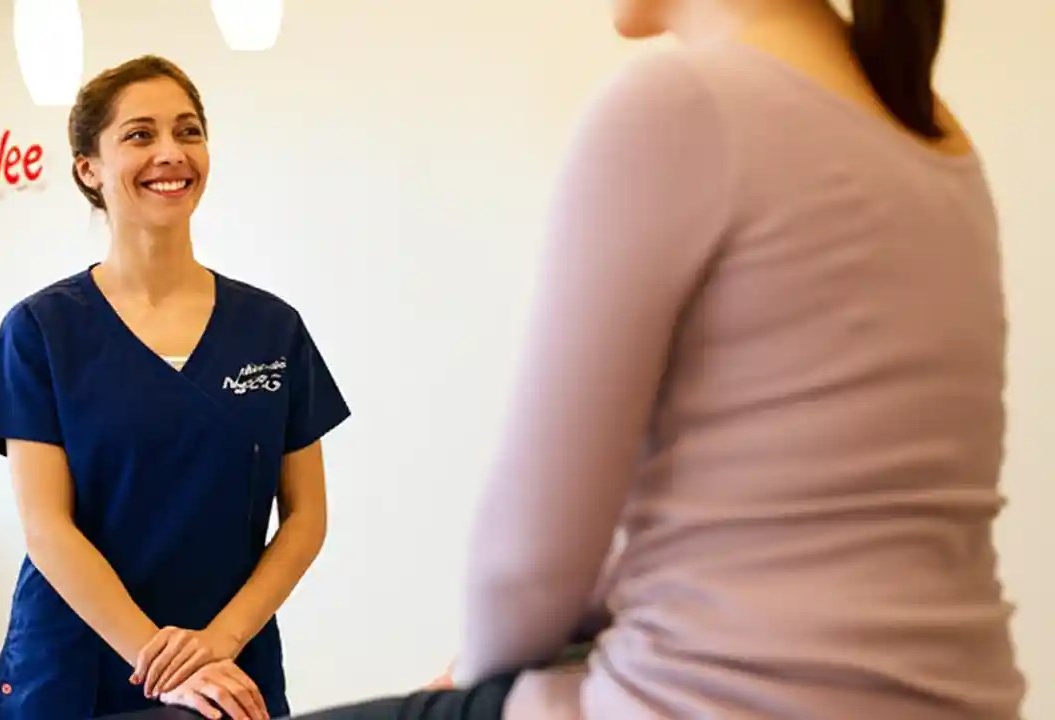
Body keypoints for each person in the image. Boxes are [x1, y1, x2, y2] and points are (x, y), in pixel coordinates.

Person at [291, 0, 1026, 718]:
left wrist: (477, 680)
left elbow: (526, 568)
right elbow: (793, 526)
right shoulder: (930, 126)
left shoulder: (682, 102)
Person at [0, 55, 351, 720]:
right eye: (140, 134)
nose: (171, 152)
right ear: (88, 168)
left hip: (230, 666)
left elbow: (306, 517)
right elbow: (47, 527)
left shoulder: (271, 328)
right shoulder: (41, 330)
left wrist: (216, 648)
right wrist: (160, 662)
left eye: (189, 130)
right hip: (75, 669)